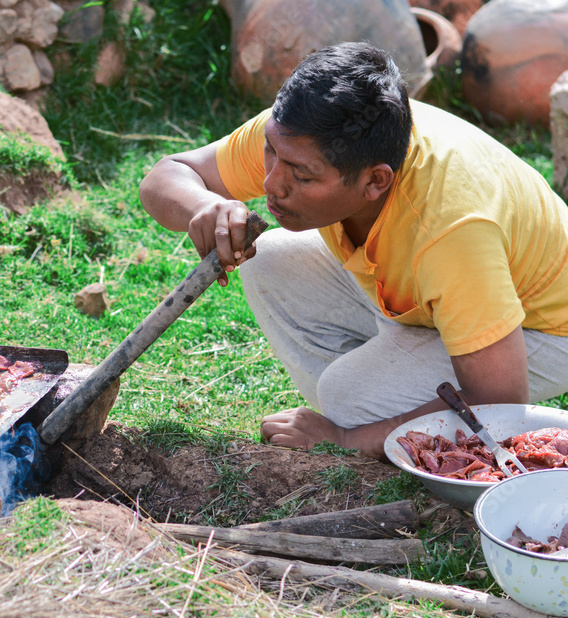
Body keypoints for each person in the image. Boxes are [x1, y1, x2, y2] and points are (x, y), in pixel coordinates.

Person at [139, 41, 568, 460]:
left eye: (302, 178)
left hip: (541, 327)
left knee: (347, 399)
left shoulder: (450, 229)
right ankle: (381, 404)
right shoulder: (303, 137)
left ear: (375, 182)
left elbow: (500, 402)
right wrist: (204, 205)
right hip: (440, 293)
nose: (272, 184)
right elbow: (169, 174)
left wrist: (343, 438)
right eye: (270, 153)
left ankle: (364, 425)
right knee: (269, 259)